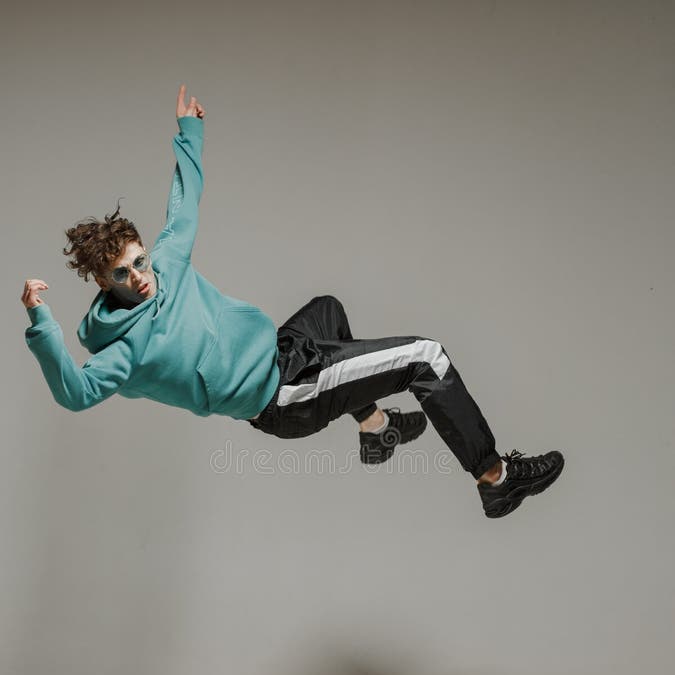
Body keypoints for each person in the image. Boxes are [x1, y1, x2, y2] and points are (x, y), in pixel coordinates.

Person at [22, 84, 564, 519]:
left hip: (285, 351)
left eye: (139, 261)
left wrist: (190, 133)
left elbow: (183, 209)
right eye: (123, 273)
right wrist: (42, 324)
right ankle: (496, 479)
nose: (140, 278)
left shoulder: (166, 267)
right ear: (102, 281)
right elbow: (74, 392)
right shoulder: (124, 352)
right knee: (428, 357)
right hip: (284, 396)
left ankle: (376, 431)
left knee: (327, 308)